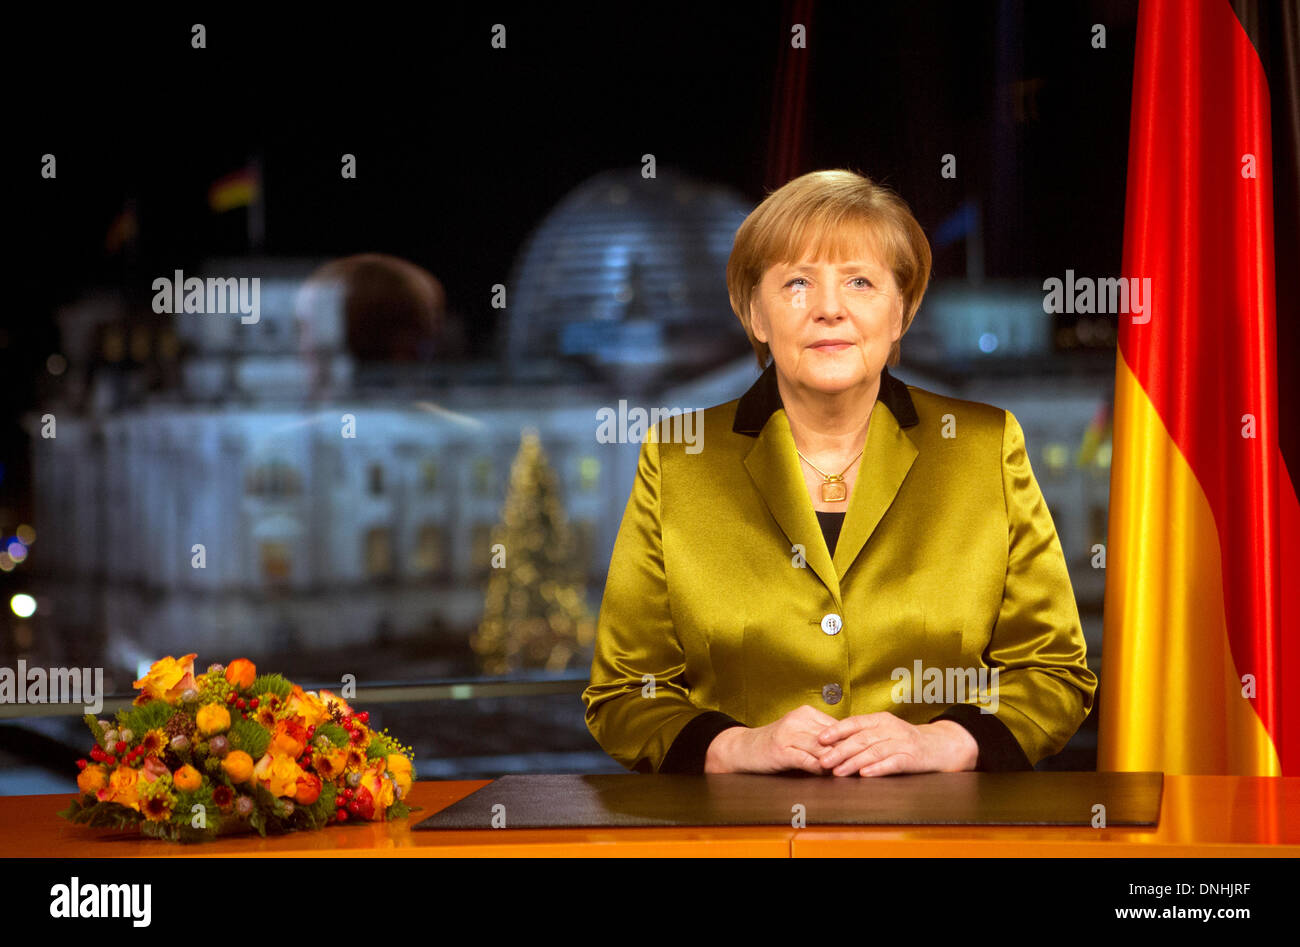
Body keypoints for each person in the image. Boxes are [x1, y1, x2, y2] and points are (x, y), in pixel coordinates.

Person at [582, 169, 1097, 776]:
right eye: (798, 283)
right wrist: (733, 747)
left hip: (937, 840)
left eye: (860, 281)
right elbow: (624, 692)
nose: (830, 309)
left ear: (900, 311)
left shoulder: (984, 446)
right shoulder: (677, 459)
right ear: (755, 313)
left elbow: (1053, 673)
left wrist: (950, 741)